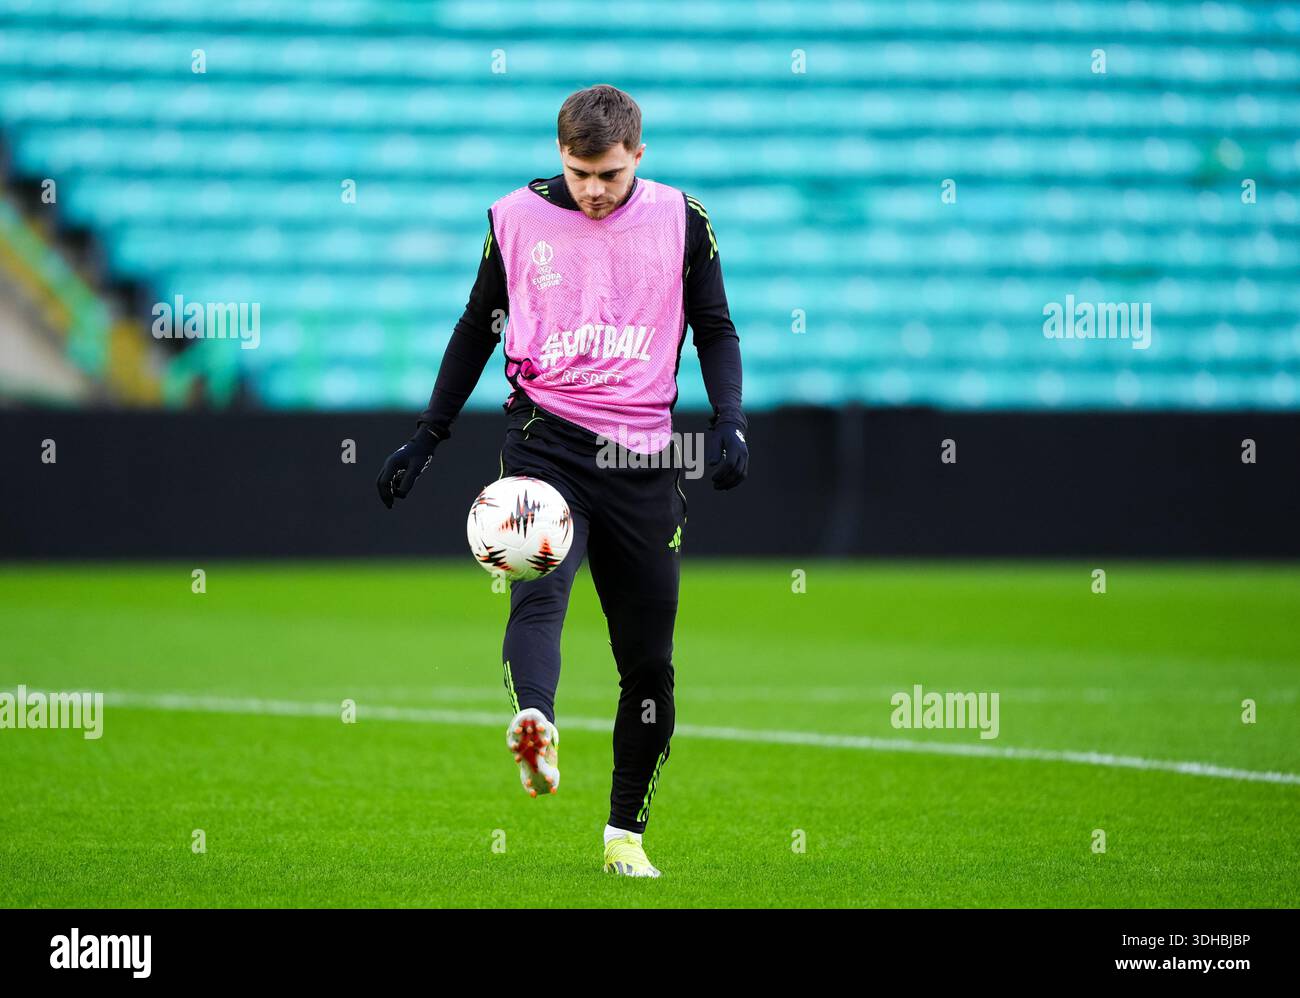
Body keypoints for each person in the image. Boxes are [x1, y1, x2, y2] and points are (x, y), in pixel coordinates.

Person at [376, 84, 748, 877]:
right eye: (580, 173)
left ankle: (624, 837)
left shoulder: (684, 221)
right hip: (544, 439)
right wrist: (425, 439)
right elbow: (477, 327)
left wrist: (731, 419)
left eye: (609, 174)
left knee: (647, 662)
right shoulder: (512, 217)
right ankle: (536, 722)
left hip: (643, 457)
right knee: (538, 590)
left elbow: (714, 326)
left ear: (638, 156)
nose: (593, 190)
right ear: (560, 156)